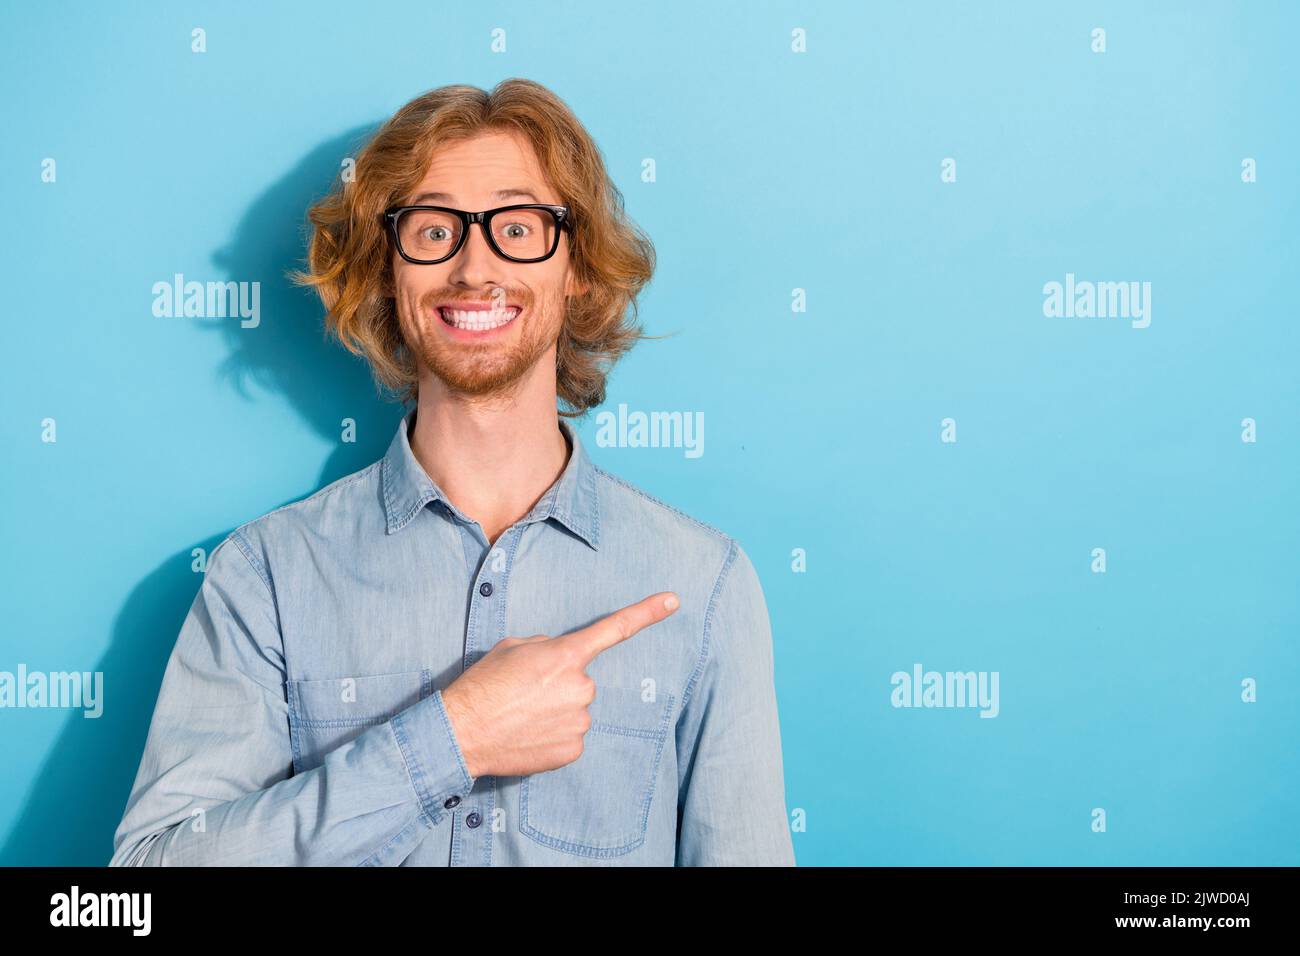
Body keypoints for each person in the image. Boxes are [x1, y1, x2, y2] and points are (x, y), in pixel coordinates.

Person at [109, 78, 795, 866]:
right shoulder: (266, 574)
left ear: (575, 266)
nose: (475, 267)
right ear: (387, 267)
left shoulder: (705, 583)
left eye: (520, 225)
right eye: (433, 230)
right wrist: (452, 738)